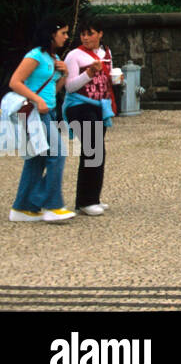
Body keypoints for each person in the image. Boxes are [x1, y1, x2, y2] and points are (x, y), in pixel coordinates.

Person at [8, 16, 75, 223]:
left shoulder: (50, 57)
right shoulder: (35, 55)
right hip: (35, 114)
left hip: (47, 112)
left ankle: (23, 207)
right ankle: (51, 205)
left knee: (36, 160)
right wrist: (37, 100)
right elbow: (15, 82)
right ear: (51, 34)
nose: (66, 36)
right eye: (63, 32)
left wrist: (64, 74)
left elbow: (51, 91)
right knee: (58, 153)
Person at [61, 16, 116, 216]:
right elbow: (69, 86)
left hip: (99, 106)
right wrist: (89, 73)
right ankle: (86, 200)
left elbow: (107, 79)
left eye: (90, 34)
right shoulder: (75, 56)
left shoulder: (106, 52)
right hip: (79, 106)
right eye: (83, 34)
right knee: (94, 148)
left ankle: (92, 197)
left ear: (100, 34)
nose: (86, 38)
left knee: (96, 150)